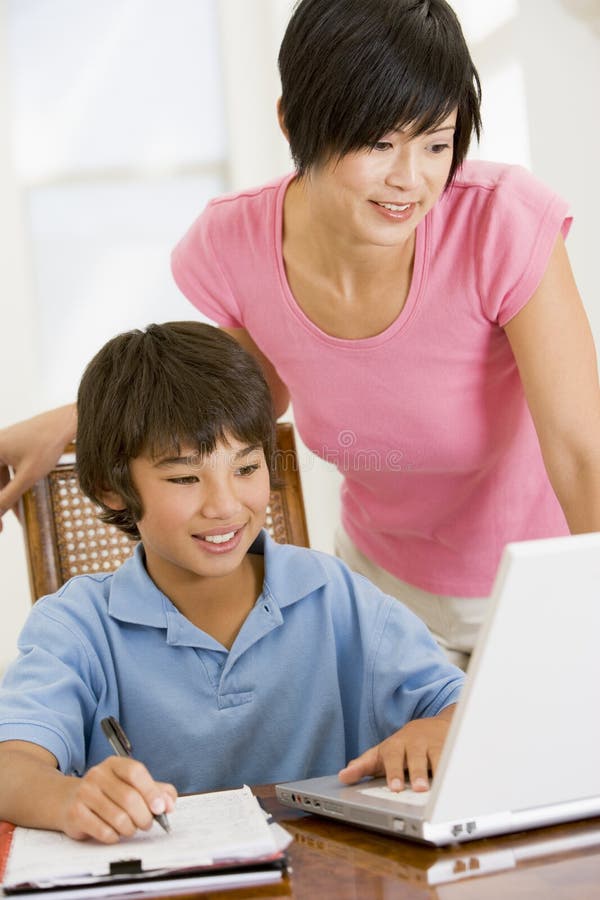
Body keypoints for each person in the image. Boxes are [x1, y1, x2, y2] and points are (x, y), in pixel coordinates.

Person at [1, 0, 600, 668]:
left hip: (537, 587)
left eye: (436, 142)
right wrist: (77, 418)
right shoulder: (233, 245)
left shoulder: (503, 224)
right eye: (378, 143)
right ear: (293, 122)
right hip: (382, 596)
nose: (411, 179)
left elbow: (581, 452)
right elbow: (242, 396)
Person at [0, 322, 463, 844]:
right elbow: (12, 764)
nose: (224, 505)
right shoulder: (77, 626)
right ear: (113, 489)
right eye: (184, 478)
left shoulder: (333, 594)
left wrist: (441, 727)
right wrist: (67, 798)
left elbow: (461, 704)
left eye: (246, 468)